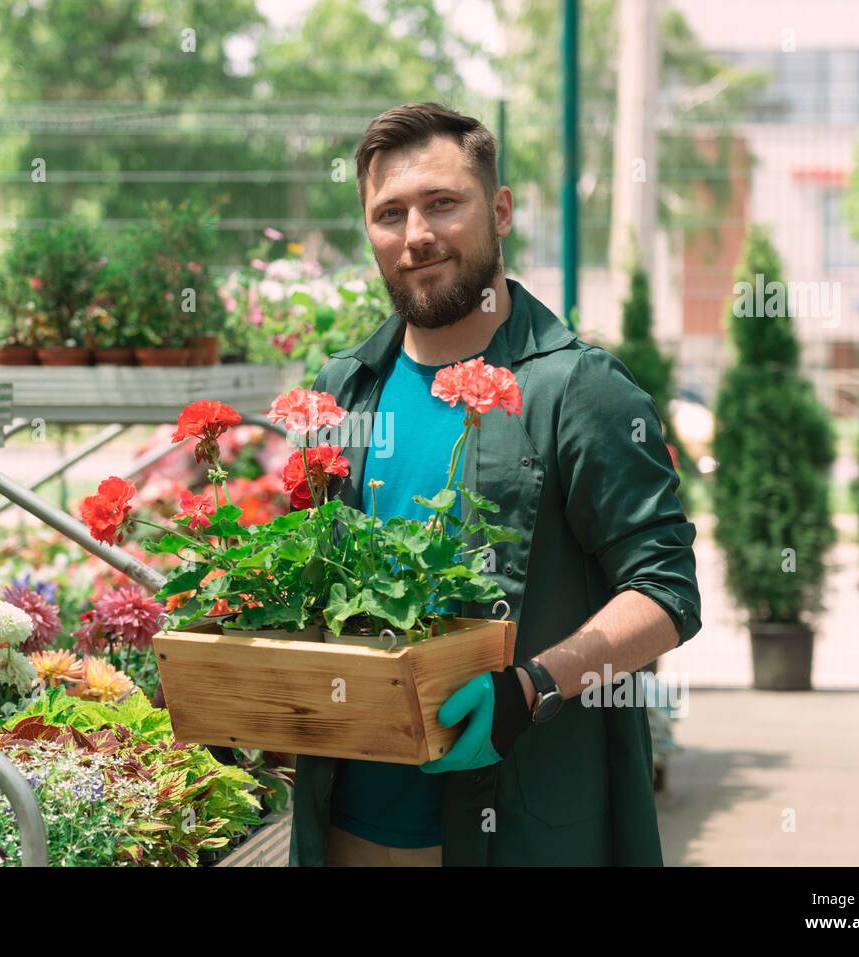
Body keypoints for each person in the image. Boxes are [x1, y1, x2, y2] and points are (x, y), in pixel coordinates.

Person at [290, 102, 702, 867]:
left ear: (500, 210)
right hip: (346, 826)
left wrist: (531, 687)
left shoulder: (576, 388)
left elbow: (667, 593)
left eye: (443, 203)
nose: (417, 234)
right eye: (390, 213)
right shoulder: (344, 389)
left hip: (512, 829)